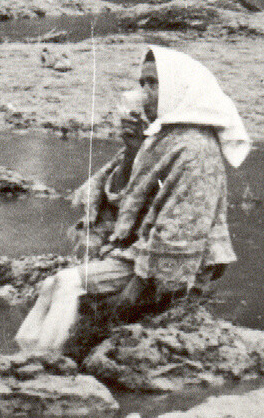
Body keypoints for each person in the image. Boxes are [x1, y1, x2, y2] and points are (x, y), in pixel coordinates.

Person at [15, 46, 248, 356]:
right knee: (51, 285)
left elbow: (179, 233)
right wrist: (133, 150)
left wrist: (131, 292)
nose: (144, 93)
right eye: (142, 83)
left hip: (171, 270)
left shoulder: (195, 149)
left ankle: (44, 360)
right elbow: (121, 198)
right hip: (139, 256)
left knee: (67, 283)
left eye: (154, 83)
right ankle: (25, 355)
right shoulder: (161, 138)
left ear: (179, 88)